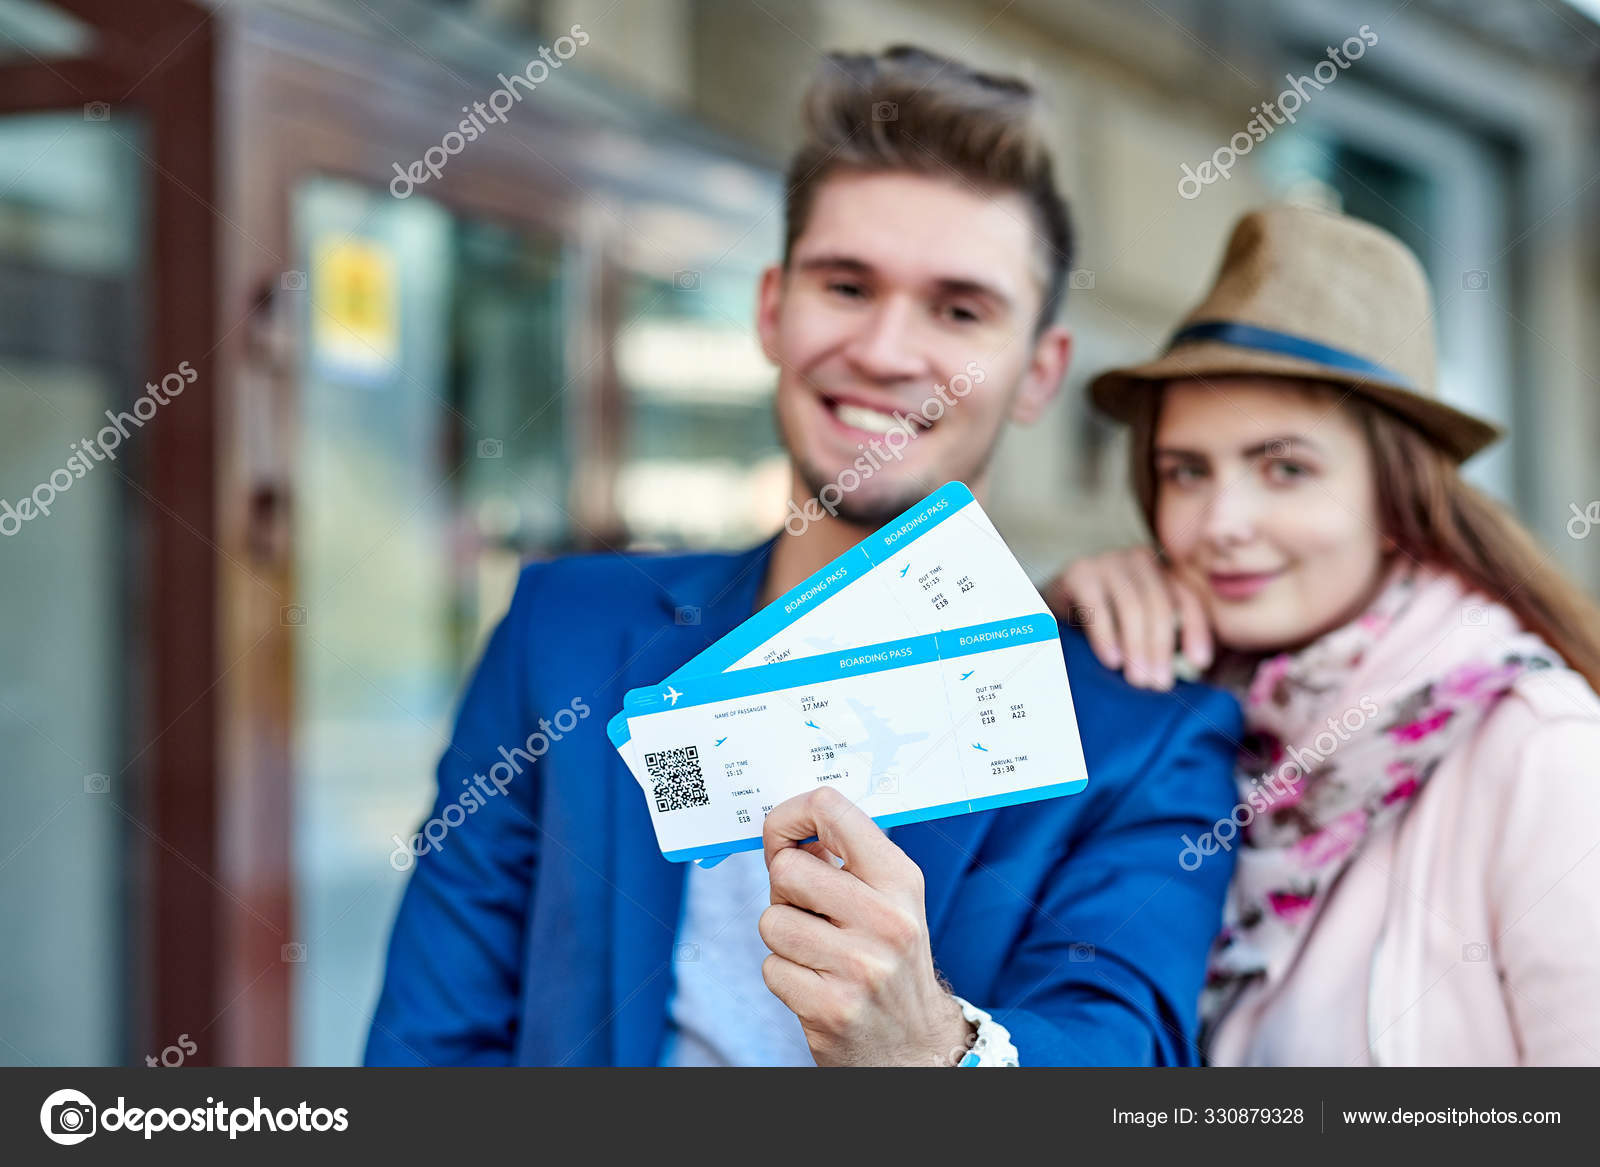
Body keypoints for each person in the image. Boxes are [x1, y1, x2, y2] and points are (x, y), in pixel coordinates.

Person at [365, 46, 1241, 1068]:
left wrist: (935, 1051)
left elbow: (1120, 1045)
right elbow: (430, 1049)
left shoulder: (1148, 739)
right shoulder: (562, 634)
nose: (883, 349)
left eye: (959, 309)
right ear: (772, 307)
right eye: (847, 285)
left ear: (1039, 371)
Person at [1047, 203, 1600, 1064]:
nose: (1222, 522)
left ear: (1395, 500)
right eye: (1187, 471)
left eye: (1286, 469)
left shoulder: (1540, 747)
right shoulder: (1179, 711)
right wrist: (1056, 627)